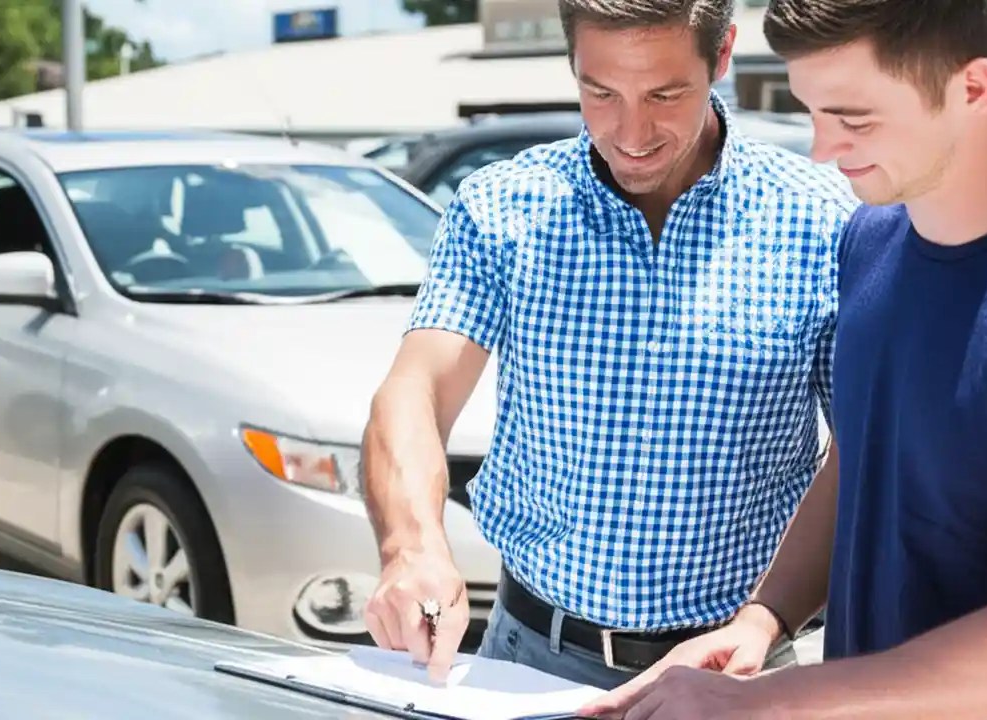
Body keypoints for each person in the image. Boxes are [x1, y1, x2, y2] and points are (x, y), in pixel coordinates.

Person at [581, 0, 987, 717]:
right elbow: (862, 455)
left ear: (973, 89)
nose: (821, 149)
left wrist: (777, 700)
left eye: (853, 118)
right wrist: (764, 618)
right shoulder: (872, 237)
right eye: (812, 112)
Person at [360, 0, 855, 690]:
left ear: (721, 57)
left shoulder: (823, 220)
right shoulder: (503, 206)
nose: (632, 132)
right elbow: (417, 391)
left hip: (736, 670)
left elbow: (862, 446)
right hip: (531, 660)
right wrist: (411, 544)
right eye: (600, 92)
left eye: (665, 93)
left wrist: (768, 619)